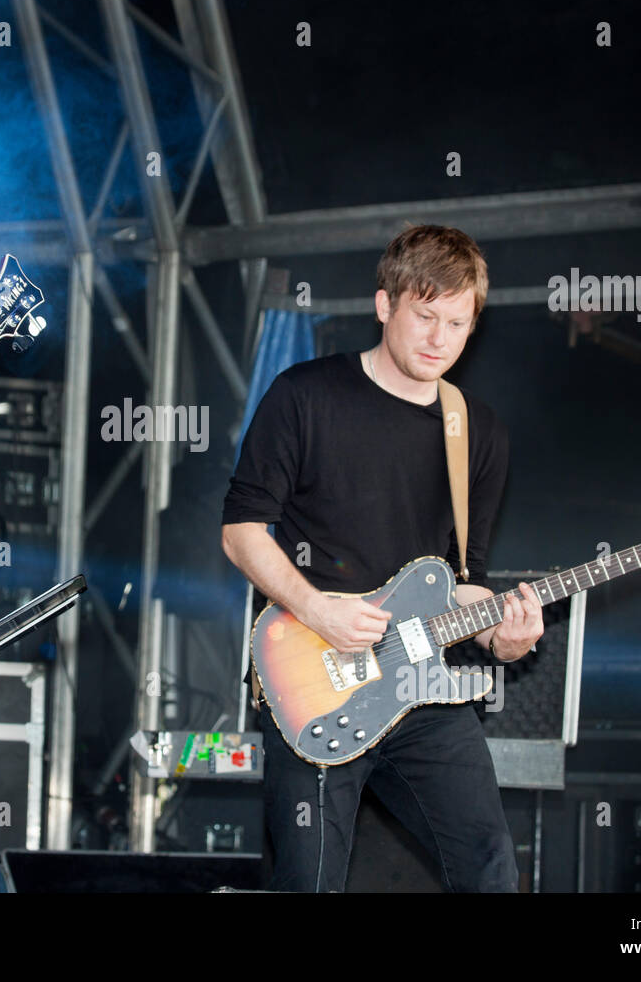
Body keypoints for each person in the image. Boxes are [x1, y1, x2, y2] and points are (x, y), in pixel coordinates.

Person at [220, 224, 543, 892]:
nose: (439, 339)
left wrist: (502, 636)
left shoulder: (477, 432)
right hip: (315, 676)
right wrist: (315, 607)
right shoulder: (304, 395)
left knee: (491, 873)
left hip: (425, 689)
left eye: (457, 322)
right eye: (425, 315)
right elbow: (241, 530)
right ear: (384, 304)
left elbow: (462, 583)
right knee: (308, 883)